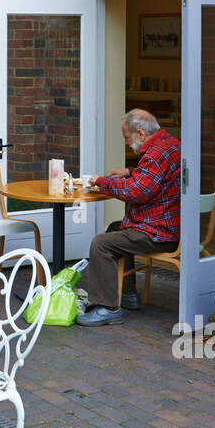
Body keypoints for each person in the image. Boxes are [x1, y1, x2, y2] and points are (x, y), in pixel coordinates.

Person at [76, 109, 181, 327]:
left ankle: (107, 308)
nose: (126, 143)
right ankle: (128, 294)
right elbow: (154, 178)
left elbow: (136, 192)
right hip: (171, 226)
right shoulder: (171, 145)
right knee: (117, 228)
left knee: (101, 244)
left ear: (140, 133)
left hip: (160, 233)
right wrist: (130, 172)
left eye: (127, 137)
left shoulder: (155, 155)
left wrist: (100, 181)